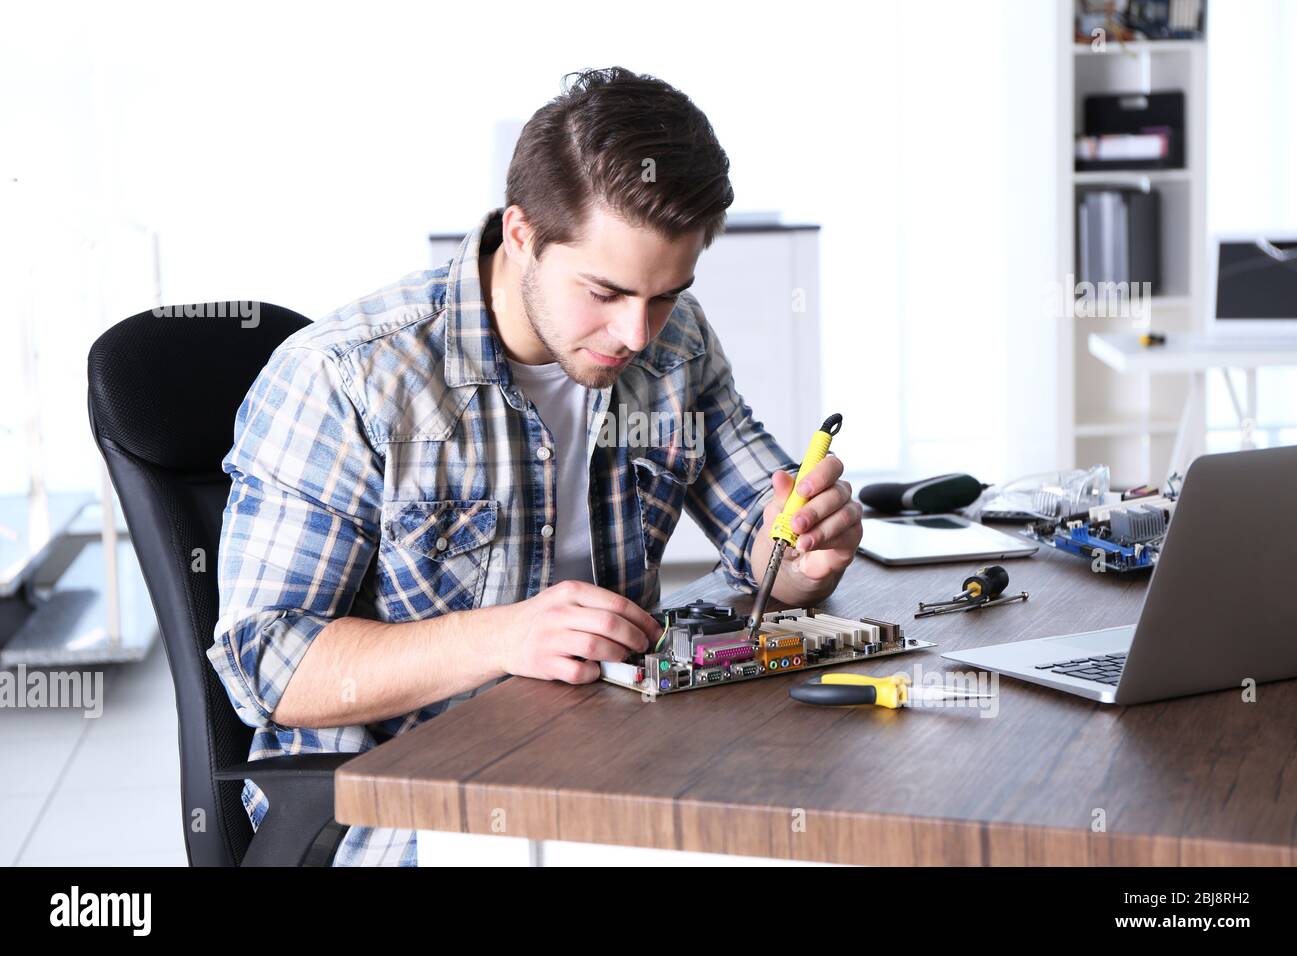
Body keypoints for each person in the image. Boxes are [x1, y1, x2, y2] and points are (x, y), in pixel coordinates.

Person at [208, 66, 863, 865]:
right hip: (415, 802)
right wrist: (505, 637)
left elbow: (763, 537)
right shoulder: (345, 378)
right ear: (521, 235)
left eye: (665, 294)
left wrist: (802, 553)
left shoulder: (677, 339)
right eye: (607, 291)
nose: (637, 333)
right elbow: (269, 667)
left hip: (617, 758)